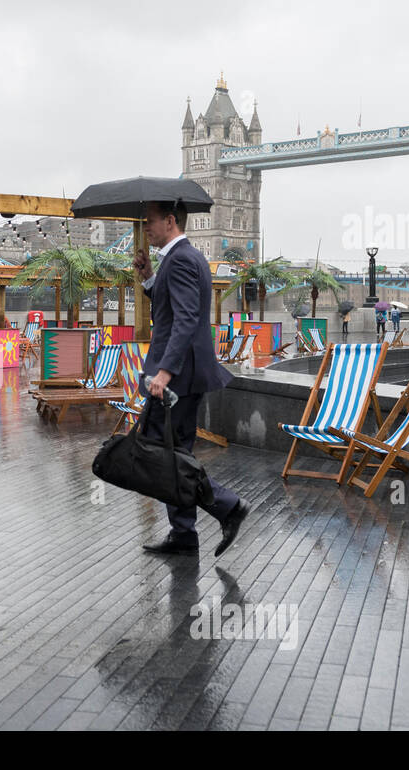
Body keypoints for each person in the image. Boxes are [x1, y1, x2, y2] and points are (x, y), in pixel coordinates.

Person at [132, 201, 248, 557]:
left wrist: (165, 372)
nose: (146, 228)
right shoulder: (185, 257)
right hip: (187, 373)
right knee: (172, 453)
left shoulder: (180, 259)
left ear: (170, 221)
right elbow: (174, 305)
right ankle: (183, 533)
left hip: (178, 377)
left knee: (160, 453)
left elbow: (184, 319)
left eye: (150, 222)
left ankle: (226, 505)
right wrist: (150, 278)